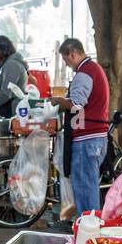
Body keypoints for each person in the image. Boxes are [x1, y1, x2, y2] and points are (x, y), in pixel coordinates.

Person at [50, 38, 109, 218]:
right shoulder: (93, 69)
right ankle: (90, 228)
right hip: (94, 137)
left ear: (72, 54)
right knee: (88, 185)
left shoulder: (85, 73)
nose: (68, 66)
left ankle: (90, 230)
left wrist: (58, 100)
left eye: (66, 61)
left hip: (87, 139)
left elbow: (76, 104)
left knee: (85, 188)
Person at [0, 34, 30, 119]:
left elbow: (6, 92)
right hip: (6, 108)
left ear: (0, 51)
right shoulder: (8, 63)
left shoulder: (12, 64)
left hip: (11, 109)